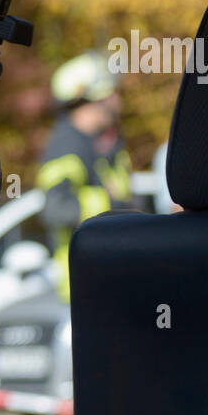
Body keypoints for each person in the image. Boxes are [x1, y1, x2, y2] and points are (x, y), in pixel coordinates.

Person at [35, 50, 132, 301]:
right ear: (89, 99)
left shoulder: (101, 145)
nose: (117, 101)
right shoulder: (67, 147)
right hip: (87, 288)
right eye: (110, 94)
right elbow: (56, 208)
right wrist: (113, 207)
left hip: (110, 282)